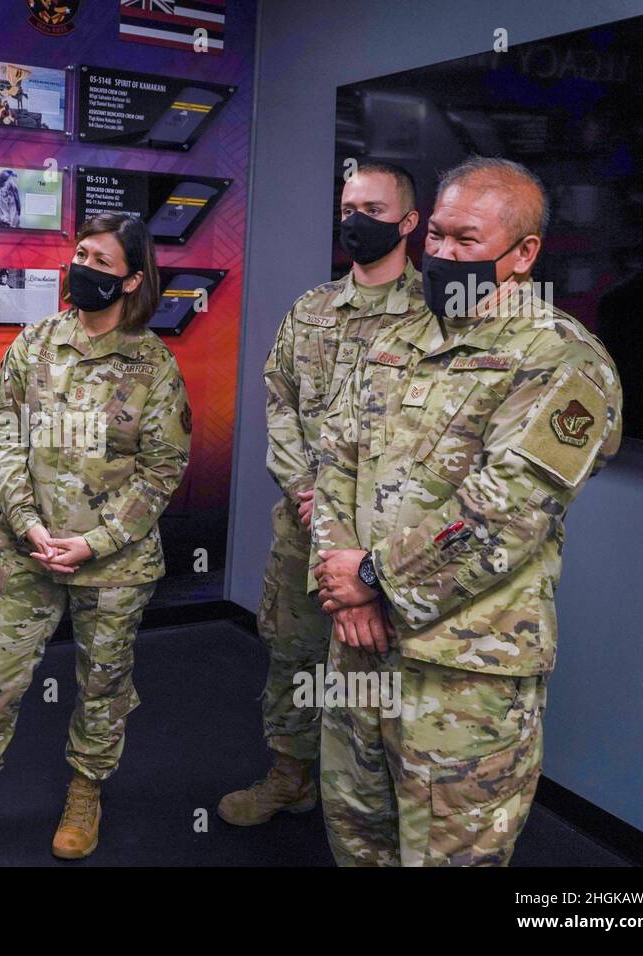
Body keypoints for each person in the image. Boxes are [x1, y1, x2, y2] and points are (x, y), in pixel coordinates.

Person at [310, 156, 623, 866]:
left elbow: (507, 510)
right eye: (438, 236)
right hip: (359, 647)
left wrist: (375, 577)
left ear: (524, 254)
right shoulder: (396, 336)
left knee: (450, 856)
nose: (443, 253)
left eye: (467, 240)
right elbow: (334, 461)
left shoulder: (563, 361)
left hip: (464, 673)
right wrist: (343, 587)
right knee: (356, 834)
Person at [0, 212, 192, 860]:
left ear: (132, 279)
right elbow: (2, 435)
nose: (81, 267)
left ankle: (86, 794)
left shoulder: (152, 365)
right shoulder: (35, 344)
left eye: (100, 261)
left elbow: (164, 465)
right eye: (79, 253)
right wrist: (27, 521)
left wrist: (100, 539)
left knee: (103, 684)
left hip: (113, 562)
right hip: (27, 550)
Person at [218, 162, 425, 827]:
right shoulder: (311, 310)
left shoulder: (437, 317)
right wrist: (307, 490)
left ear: (409, 222)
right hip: (303, 529)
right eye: (347, 206)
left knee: (377, 671)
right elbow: (278, 399)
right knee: (293, 653)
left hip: (380, 546)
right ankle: (290, 776)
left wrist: (347, 515)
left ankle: (376, 806)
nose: (355, 220)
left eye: (372, 207)